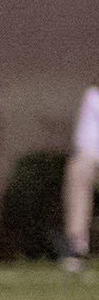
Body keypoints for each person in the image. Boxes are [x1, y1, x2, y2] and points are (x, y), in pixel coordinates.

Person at [63, 85, 98, 273]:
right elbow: (85, 138)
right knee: (78, 171)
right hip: (88, 157)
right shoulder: (92, 96)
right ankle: (76, 248)